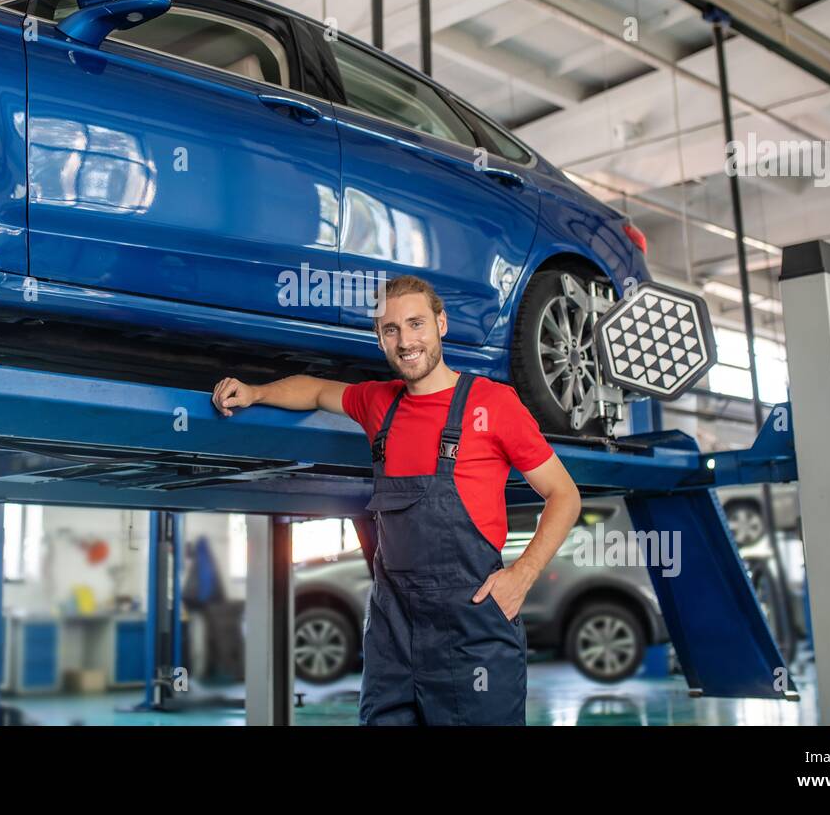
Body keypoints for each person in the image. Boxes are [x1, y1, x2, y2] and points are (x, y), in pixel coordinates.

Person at [211, 274, 581, 725]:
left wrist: (522, 576)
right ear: (380, 338)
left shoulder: (493, 404)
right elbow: (314, 389)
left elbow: (564, 494)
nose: (406, 341)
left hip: (473, 635)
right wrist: (255, 393)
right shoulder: (378, 403)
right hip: (392, 636)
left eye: (416, 324)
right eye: (391, 330)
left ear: (440, 324)